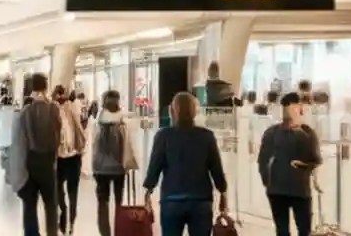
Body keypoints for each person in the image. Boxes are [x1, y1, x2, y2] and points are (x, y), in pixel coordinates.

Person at [143, 92, 228, 236]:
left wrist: (148, 190)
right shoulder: (206, 136)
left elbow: (155, 166)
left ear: (172, 111)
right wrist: (223, 192)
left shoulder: (163, 136)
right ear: (195, 112)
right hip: (201, 201)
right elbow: (216, 168)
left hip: (171, 200)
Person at [258, 92, 322, 236]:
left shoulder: (273, 132)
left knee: (284, 231)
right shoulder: (306, 133)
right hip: (295, 190)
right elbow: (316, 160)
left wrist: (268, 183)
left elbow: (262, 161)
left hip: (282, 190)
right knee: (301, 230)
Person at [9, 74, 61, 236]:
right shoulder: (53, 109)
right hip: (48, 161)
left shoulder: (25, 112)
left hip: (30, 161)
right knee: (50, 204)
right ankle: (52, 233)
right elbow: (58, 136)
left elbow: (19, 141)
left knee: (29, 203)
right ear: (46, 87)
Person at [88, 89, 136, 236]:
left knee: (103, 203)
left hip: (101, 169)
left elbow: (94, 146)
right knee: (119, 202)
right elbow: (128, 146)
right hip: (118, 169)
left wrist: (94, 168)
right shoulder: (123, 121)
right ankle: (119, 230)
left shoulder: (98, 120)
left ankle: (105, 233)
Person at [55, 85, 87, 233]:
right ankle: (64, 212)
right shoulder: (52, 111)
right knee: (61, 190)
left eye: (63, 95)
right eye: (59, 95)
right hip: (61, 158)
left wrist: (81, 146)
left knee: (71, 191)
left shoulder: (72, 109)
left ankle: (71, 221)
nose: (61, 98)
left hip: (71, 156)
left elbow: (80, 128)